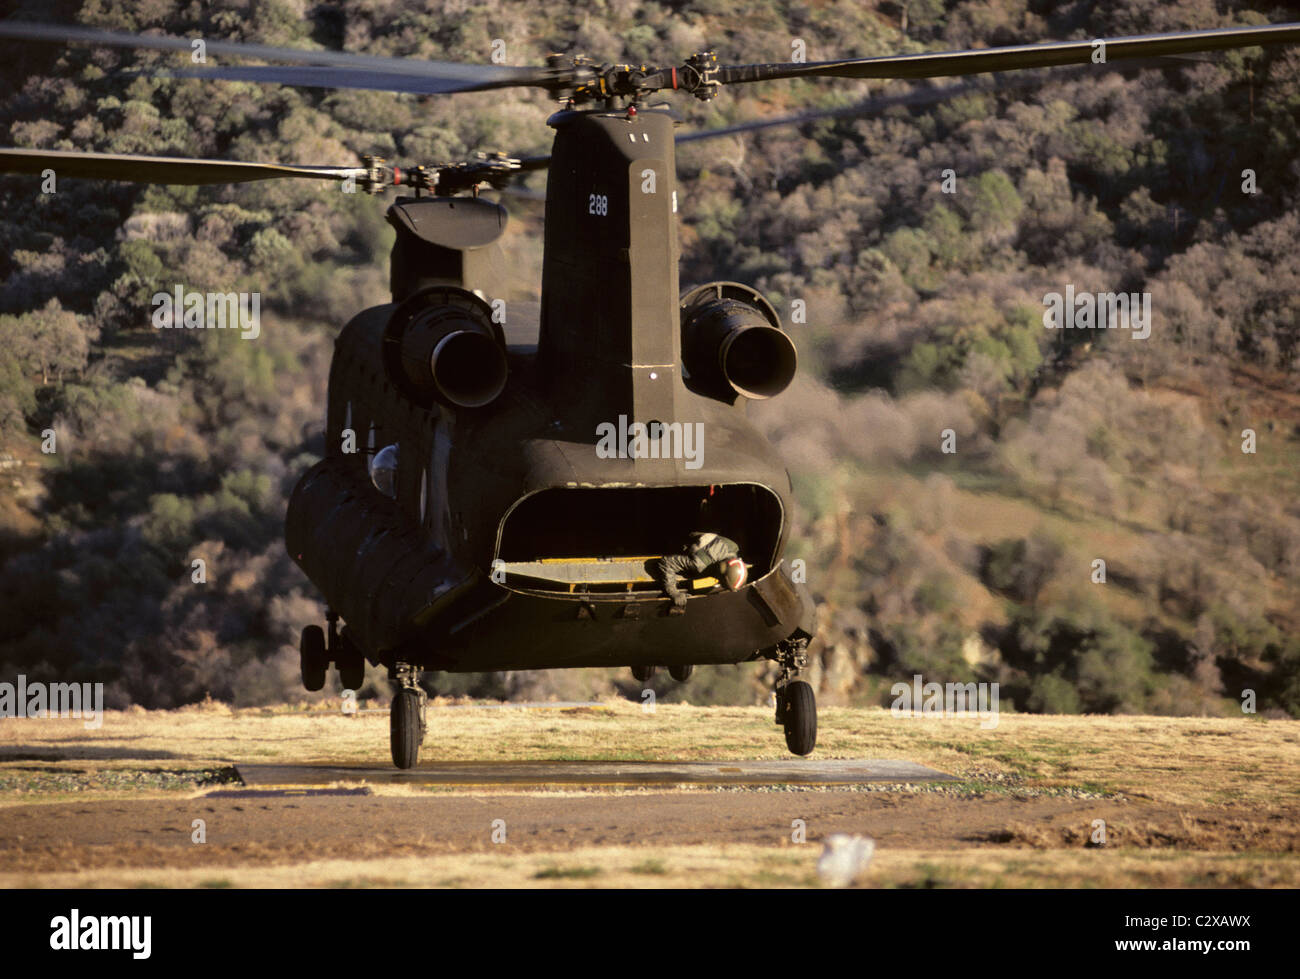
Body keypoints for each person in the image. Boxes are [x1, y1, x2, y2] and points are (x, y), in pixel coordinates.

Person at [654, 532, 747, 610]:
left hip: (700, 537)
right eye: (723, 583)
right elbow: (666, 563)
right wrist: (673, 592)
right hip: (684, 542)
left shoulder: (734, 548)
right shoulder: (699, 564)